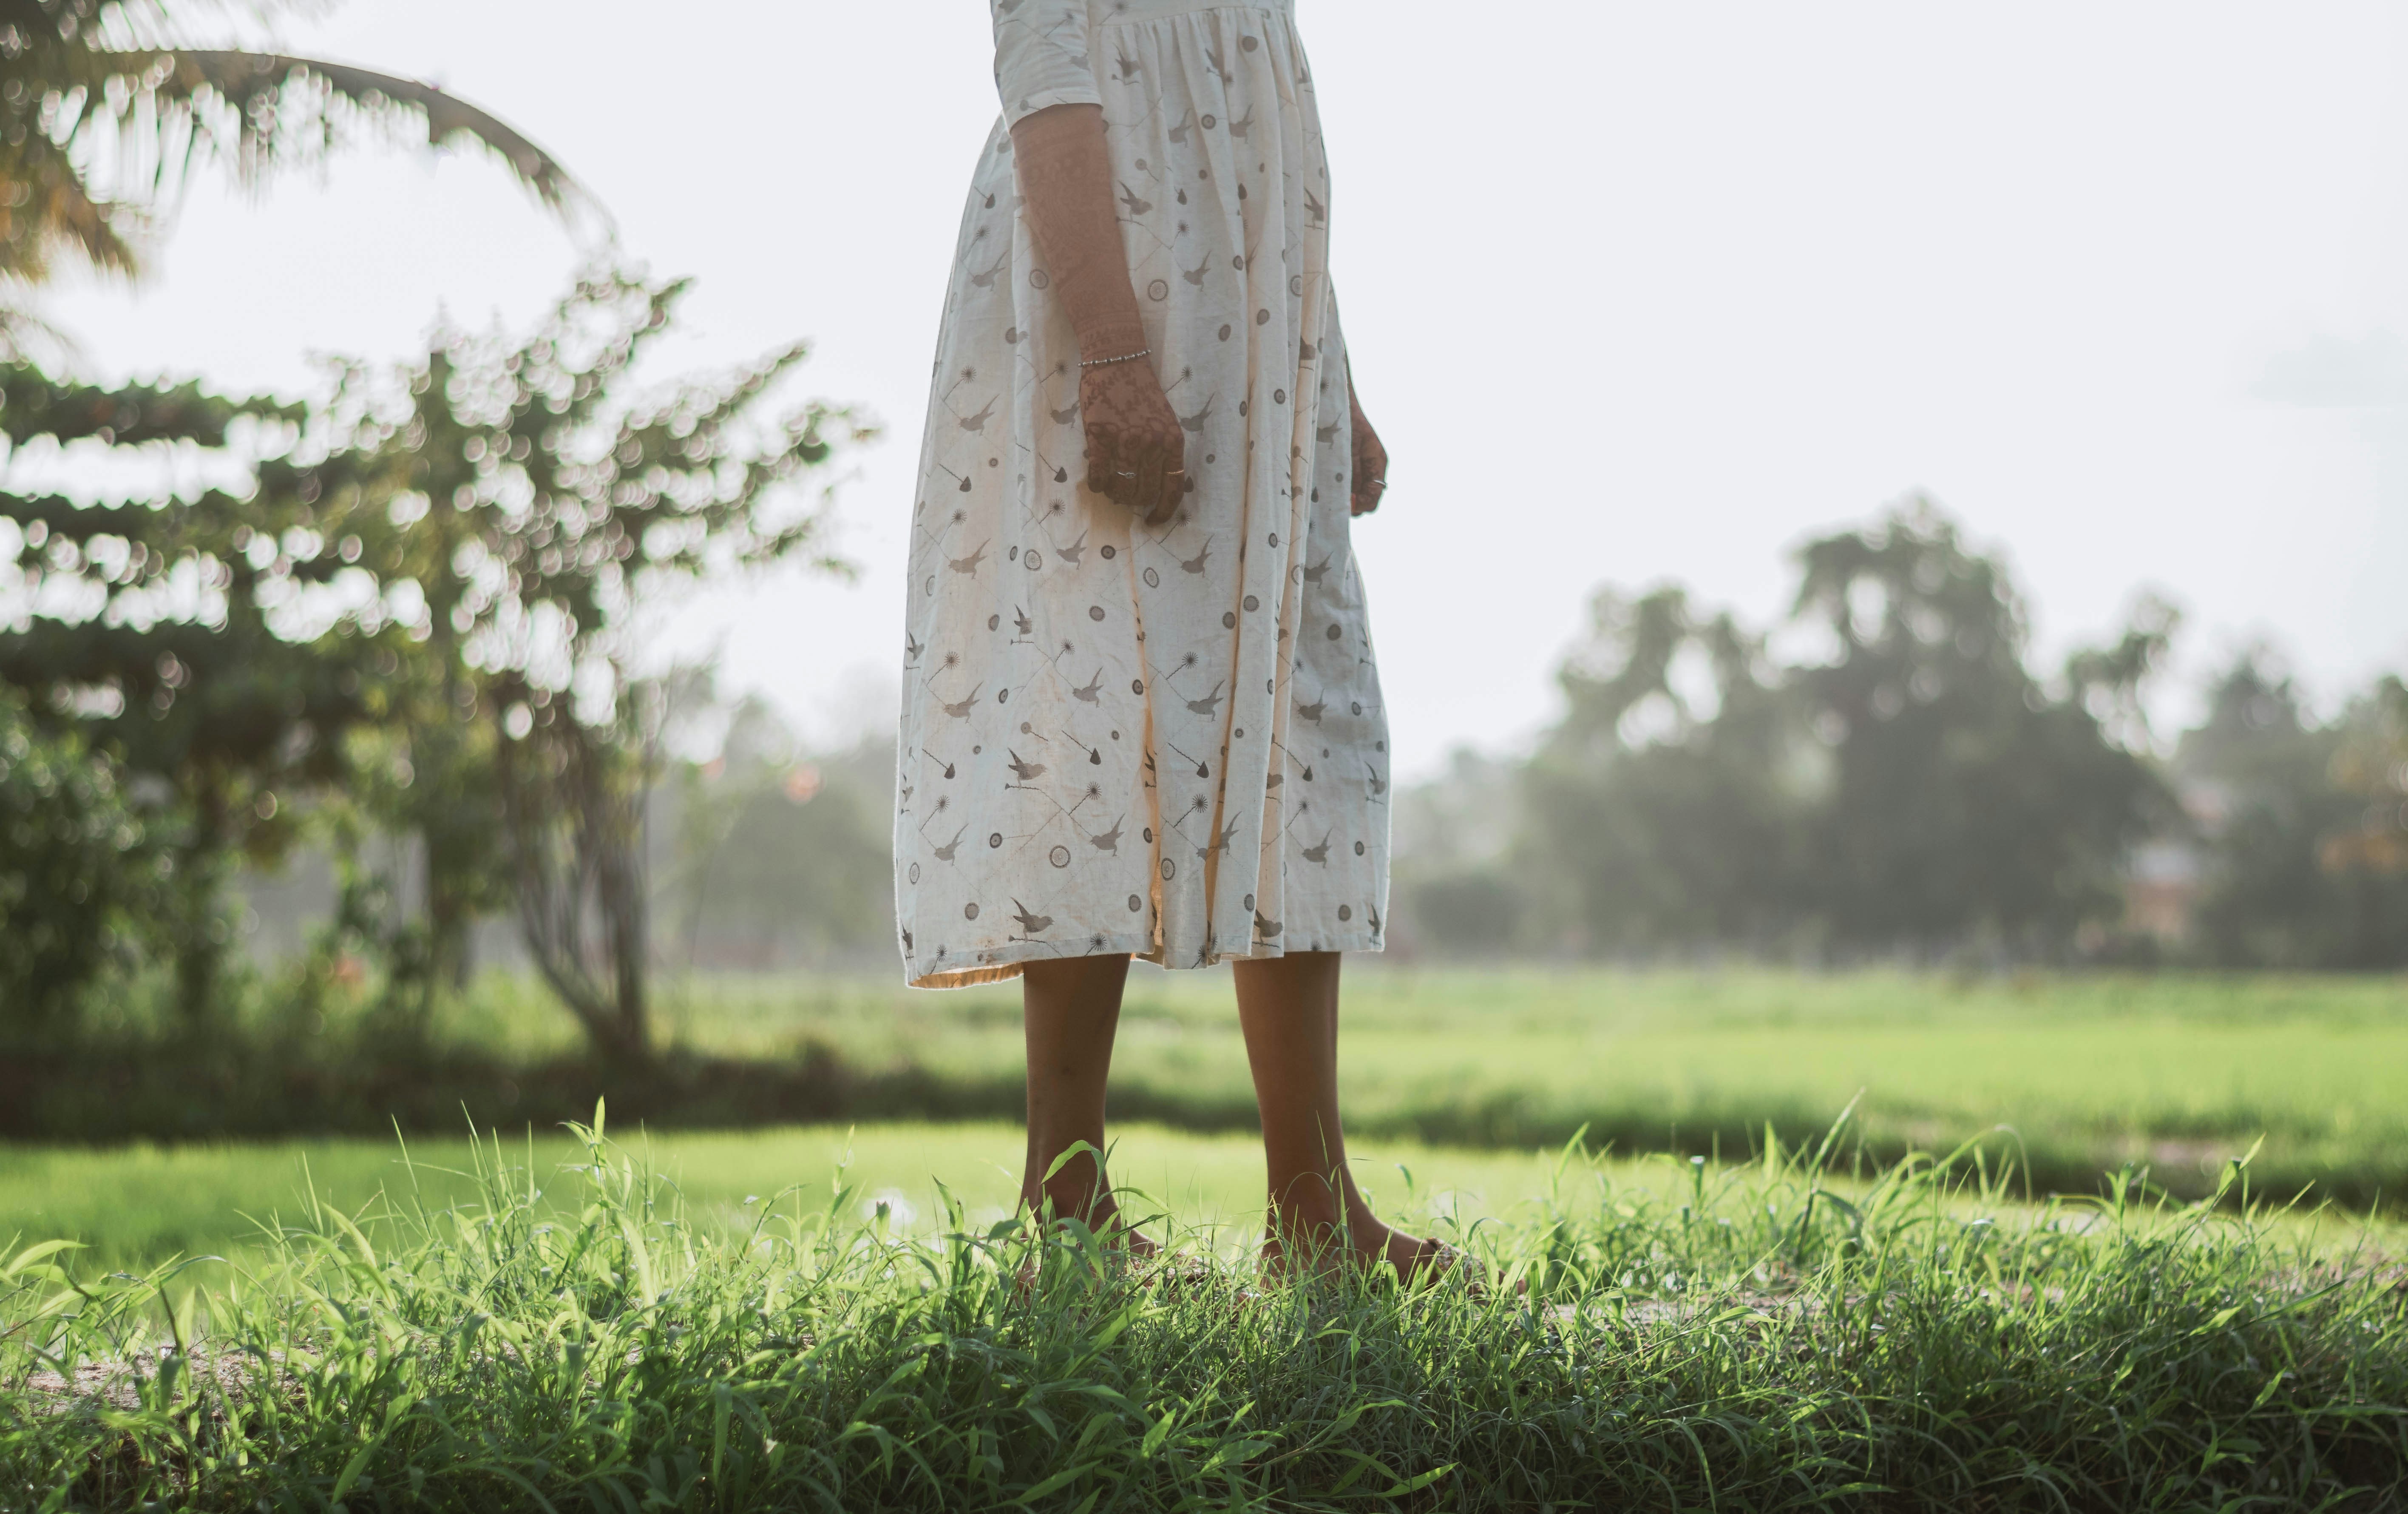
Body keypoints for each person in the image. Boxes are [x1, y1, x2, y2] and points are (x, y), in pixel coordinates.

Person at [896, 0, 1445, 1281]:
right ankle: (1064, 1208)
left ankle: (1313, 1210)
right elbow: (1048, 81)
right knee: (1085, 719)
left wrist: (1330, 370)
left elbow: (1263, 119)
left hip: (1253, 327)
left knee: (1299, 726)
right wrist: (1115, 359)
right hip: (1109, 300)